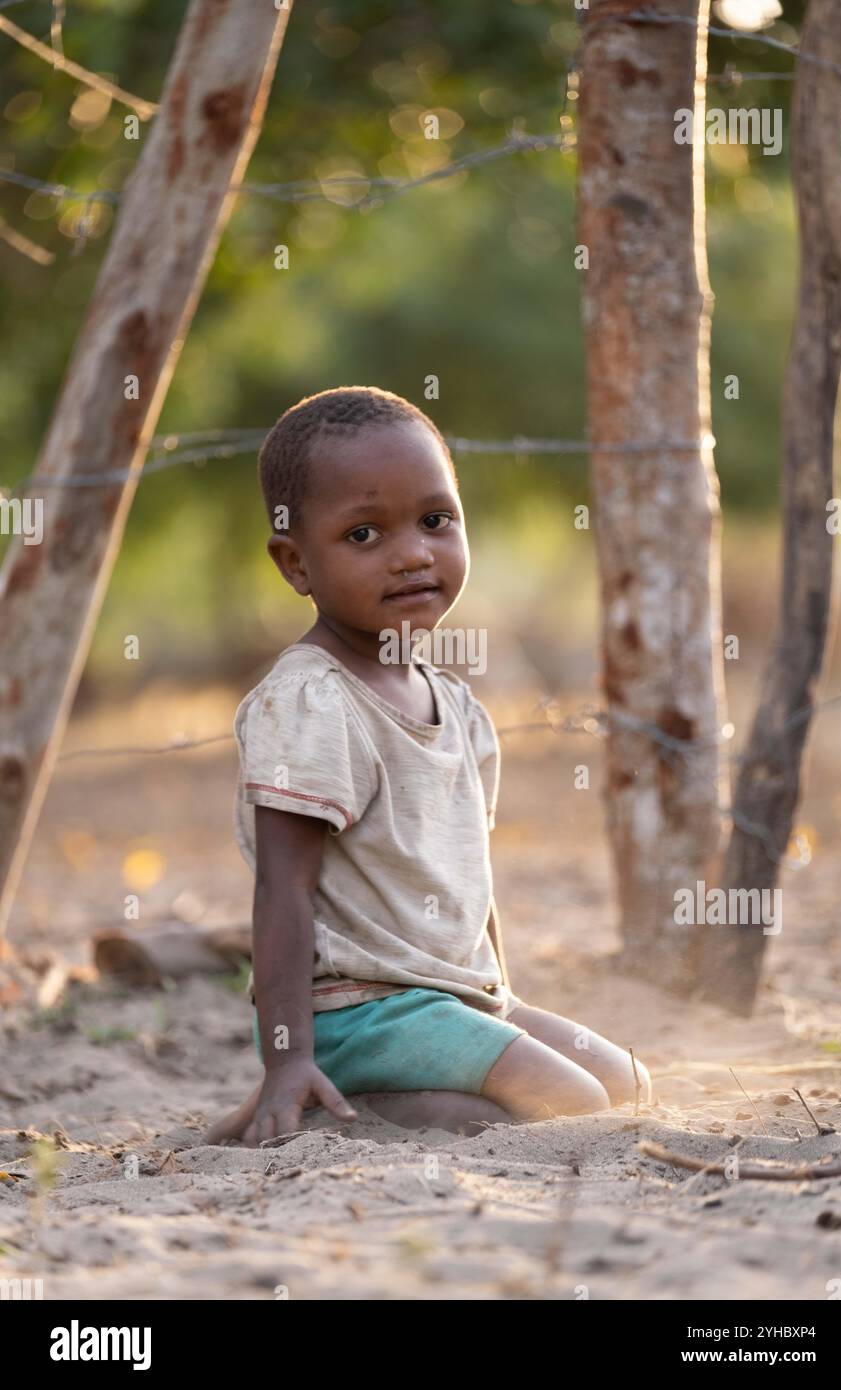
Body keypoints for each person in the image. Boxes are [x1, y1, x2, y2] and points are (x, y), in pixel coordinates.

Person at [206, 386, 652, 1147]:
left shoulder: (459, 709)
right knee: (571, 1105)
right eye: (365, 533)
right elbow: (281, 888)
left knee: (626, 1082)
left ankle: (414, 1092)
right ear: (295, 562)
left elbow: (470, 881)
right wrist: (287, 1059)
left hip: (451, 999)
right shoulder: (313, 702)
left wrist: (500, 1004)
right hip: (358, 1011)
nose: (412, 552)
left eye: (436, 521)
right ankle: (336, 1098)